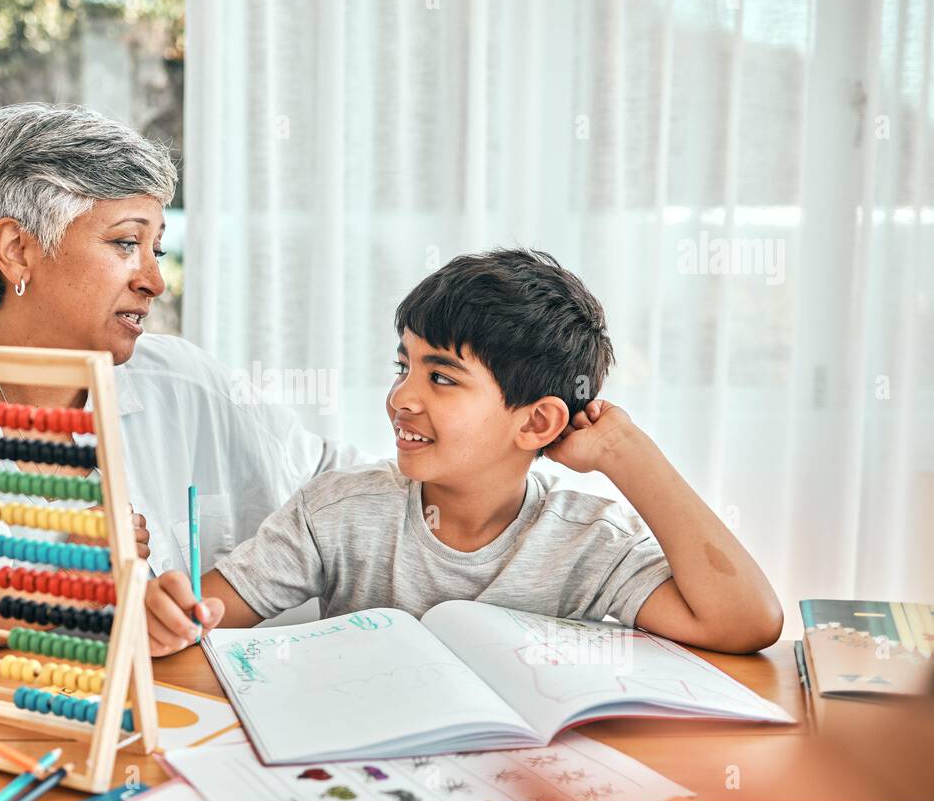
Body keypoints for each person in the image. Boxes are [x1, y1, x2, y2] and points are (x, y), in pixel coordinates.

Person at [0, 103, 365, 675]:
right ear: (17, 250)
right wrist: (51, 600)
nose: (155, 280)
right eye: (125, 243)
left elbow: (344, 492)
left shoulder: (188, 384)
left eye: (156, 248)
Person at [144, 248, 784, 656]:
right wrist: (171, 616)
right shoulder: (335, 513)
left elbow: (746, 621)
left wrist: (626, 451)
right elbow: (202, 620)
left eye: (441, 377)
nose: (402, 397)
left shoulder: (587, 541)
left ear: (537, 422)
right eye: (404, 366)